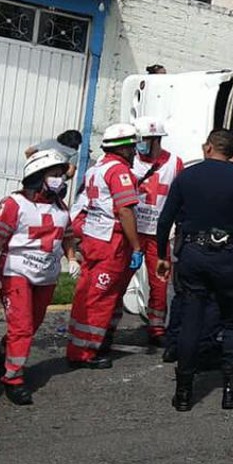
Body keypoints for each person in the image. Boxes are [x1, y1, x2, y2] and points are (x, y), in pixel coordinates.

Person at [156, 130, 233, 413]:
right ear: (232, 151)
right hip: (228, 256)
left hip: (192, 253)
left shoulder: (188, 176)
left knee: (192, 318)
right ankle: (231, 389)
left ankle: (183, 392)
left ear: (208, 148)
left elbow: (165, 219)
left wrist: (161, 255)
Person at [0, 149, 75, 405]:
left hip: (46, 273)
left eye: (61, 175)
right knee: (21, 326)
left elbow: (67, 235)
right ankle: (13, 378)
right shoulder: (15, 203)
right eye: (54, 175)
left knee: (31, 324)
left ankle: (4, 350)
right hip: (16, 271)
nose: (60, 180)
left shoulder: (61, 208)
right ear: (37, 176)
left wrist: (73, 258)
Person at [66, 124, 145, 369]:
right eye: (132, 146)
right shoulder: (119, 172)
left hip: (94, 238)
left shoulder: (97, 168)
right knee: (101, 297)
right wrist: (137, 246)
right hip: (111, 242)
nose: (135, 151)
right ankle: (86, 352)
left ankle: (88, 344)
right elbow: (124, 210)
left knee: (89, 293)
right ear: (123, 148)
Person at [131, 117, 183, 346]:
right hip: (131, 230)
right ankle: (107, 327)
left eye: (144, 140)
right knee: (119, 280)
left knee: (160, 282)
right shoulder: (129, 161)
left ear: (155, 140)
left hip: (157, 233)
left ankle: (157, 326)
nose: (140, 144)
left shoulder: (174, 163)